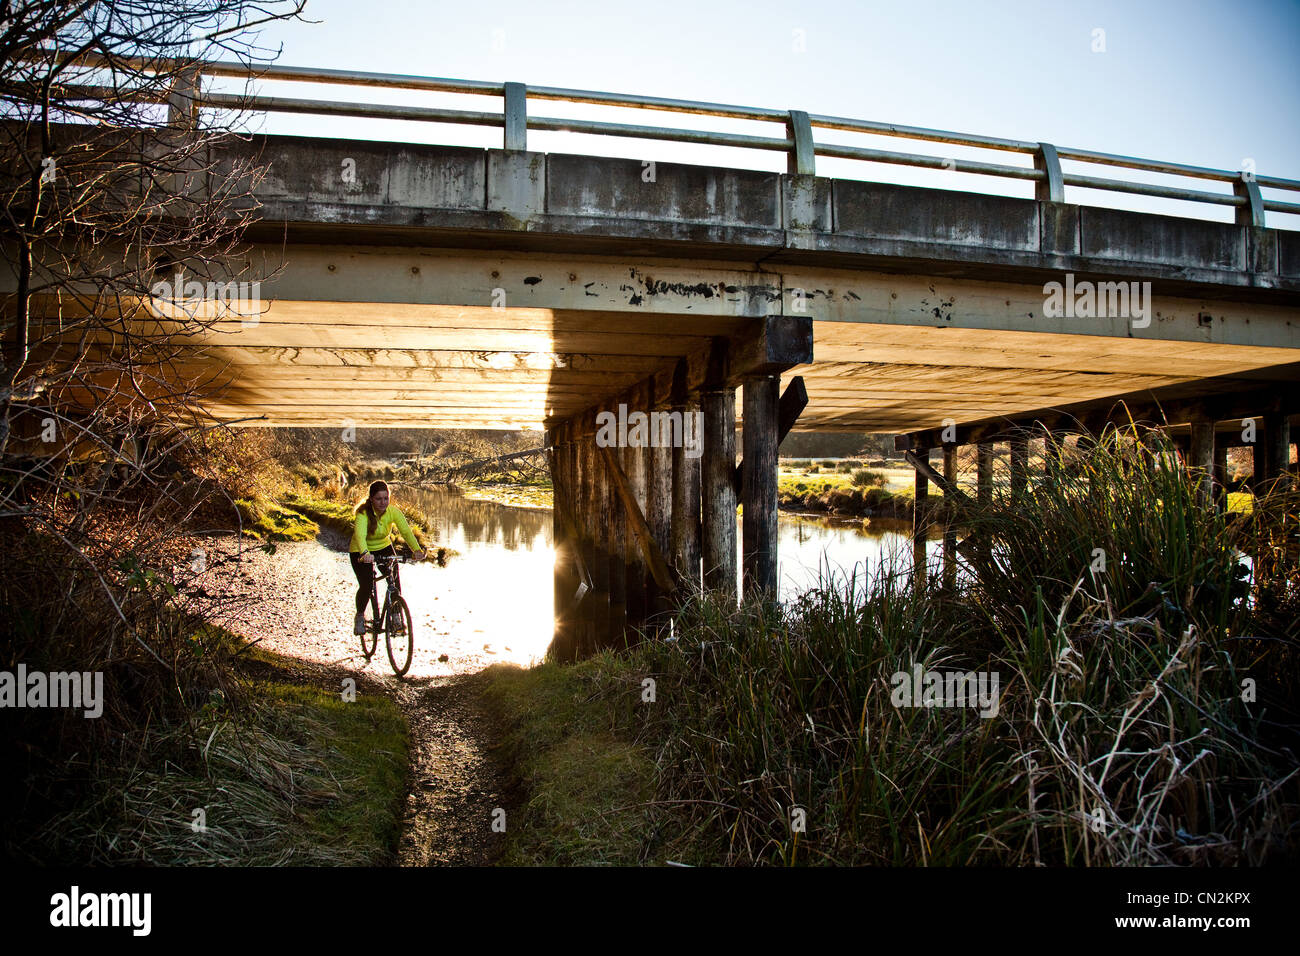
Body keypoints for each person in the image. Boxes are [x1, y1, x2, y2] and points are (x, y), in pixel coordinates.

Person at [350, 479, 424, 635]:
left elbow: (406, 532)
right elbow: (360, 536)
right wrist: (365, 554)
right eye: (378, 499)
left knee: (394, 581)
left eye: (386, 498)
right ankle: (360, 616)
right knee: (367, 585)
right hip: (361, 550)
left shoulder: (393, 512)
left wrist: (416, 550)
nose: (383, 502)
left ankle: (396, 617)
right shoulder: (363, 514)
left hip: (383, 546)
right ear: (371, 499)